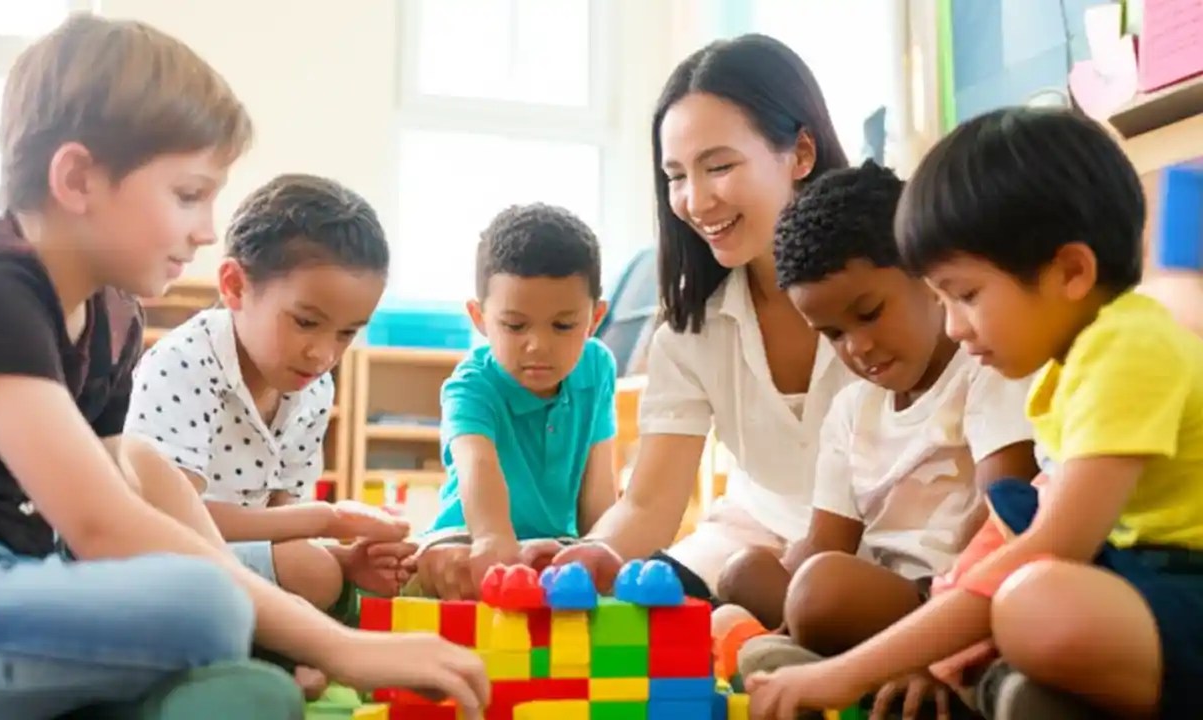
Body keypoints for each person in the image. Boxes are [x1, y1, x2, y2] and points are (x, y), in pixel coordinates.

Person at [0, 16, 488, 720]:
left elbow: (156, 521)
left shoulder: (114, 321)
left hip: (16, 579)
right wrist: (346, 648)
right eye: (189, 194)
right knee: (206, 610)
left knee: (220, 623)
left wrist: (290, 619)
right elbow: (101, 527)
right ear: (76, 178)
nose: (206, 226)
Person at [746, 108, 1203, 720]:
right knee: (1013, 552)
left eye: (965, 295)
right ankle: (1003, 689)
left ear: (1070, 271)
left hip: (1182, 583)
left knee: (1032, 598)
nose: (956, 326)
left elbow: (1055, 545)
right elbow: (1006, 536)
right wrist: (926, 660)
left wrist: (839, 675)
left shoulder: (1130, 350)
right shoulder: (1071, 369)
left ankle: (1003, 683)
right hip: (1140, 580)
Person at [514, 33, 859, 598]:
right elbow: (650, 502)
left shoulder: (894, 291)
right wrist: (593, 553)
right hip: (753, 541)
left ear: (801, 152)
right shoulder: (692, 330)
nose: (695, 202)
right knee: (651, 611)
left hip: (883, 547)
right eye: (676, 176)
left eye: (718, 166)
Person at [707, 161, 1037, 717]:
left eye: (869, 313)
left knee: (821, 593)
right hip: (877, 595)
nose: (857, 347)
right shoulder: (851, 410)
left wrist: (926, 647)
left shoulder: (984, 372)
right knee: (747, 573)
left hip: (963, 598)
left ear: (930, 280)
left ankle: (863, 667)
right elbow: (824, 544)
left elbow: (1006, 527)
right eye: (833, 334)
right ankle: (814, 659)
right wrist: (774, 583)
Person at [125, 174, 416, 697]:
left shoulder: (312, 387)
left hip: (240, 565)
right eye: (306, 322)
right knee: (309, 568)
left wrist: (343, 555)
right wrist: (327, 518)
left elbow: (282, 520)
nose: (324, 354)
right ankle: (267, 658)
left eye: (347, 332)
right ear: (235, 286)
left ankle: (278, 654)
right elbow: (175, 523)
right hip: (162, 556)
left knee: (326, 570)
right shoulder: (184, 364)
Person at [411, 203, 618, 598]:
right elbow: (478, 467)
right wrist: (493, 542)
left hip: (554, 543)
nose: (538, 346)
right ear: (479, 317)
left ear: (594, 318)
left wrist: (600, 552)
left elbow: (599, 490)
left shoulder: (597, 367)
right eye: (514, 325)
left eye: (563, 325)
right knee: (443, 567)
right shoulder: (470, 387)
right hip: (469, 537)